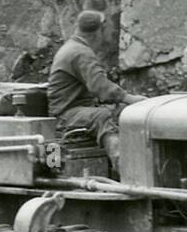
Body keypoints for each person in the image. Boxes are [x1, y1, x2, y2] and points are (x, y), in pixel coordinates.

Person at [47, 10, 145, 173]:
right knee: (104, 117)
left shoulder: (74, 48)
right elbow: (100, 87)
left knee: (122, 113)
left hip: (74, 111)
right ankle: (127, 171)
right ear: (98, 32)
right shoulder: (80, 52)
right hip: (66, 115)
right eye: (103, 30)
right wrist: (129, 98)